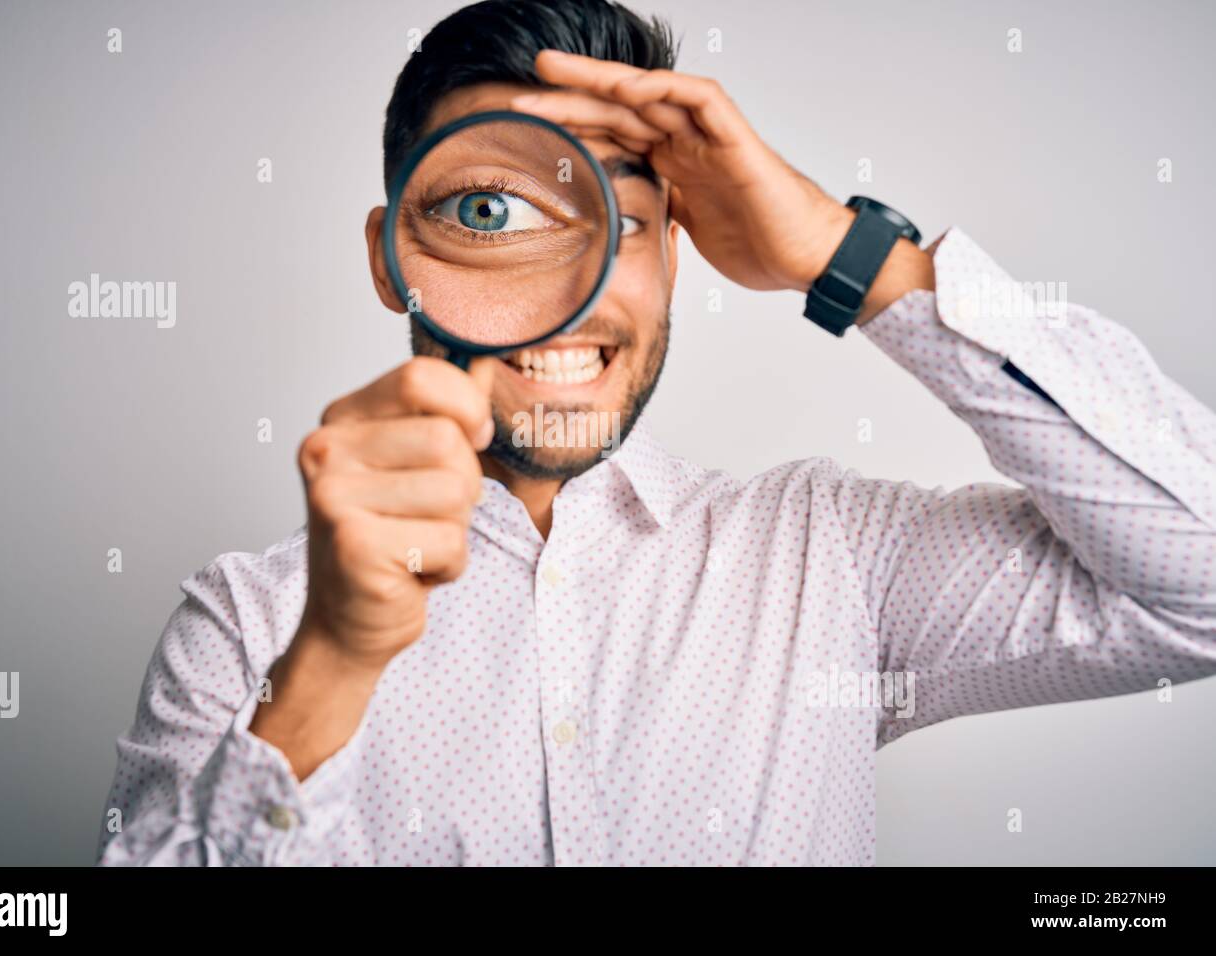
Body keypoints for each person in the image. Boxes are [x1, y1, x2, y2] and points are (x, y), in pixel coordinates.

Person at [98, 0, 1216, 865]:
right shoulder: (250, 624)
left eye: (624, 221)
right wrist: (332, 667)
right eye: (490, 211)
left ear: (674, 255)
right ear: (391, 255)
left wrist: (849, 253)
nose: (575, 297)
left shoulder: (829, 557)